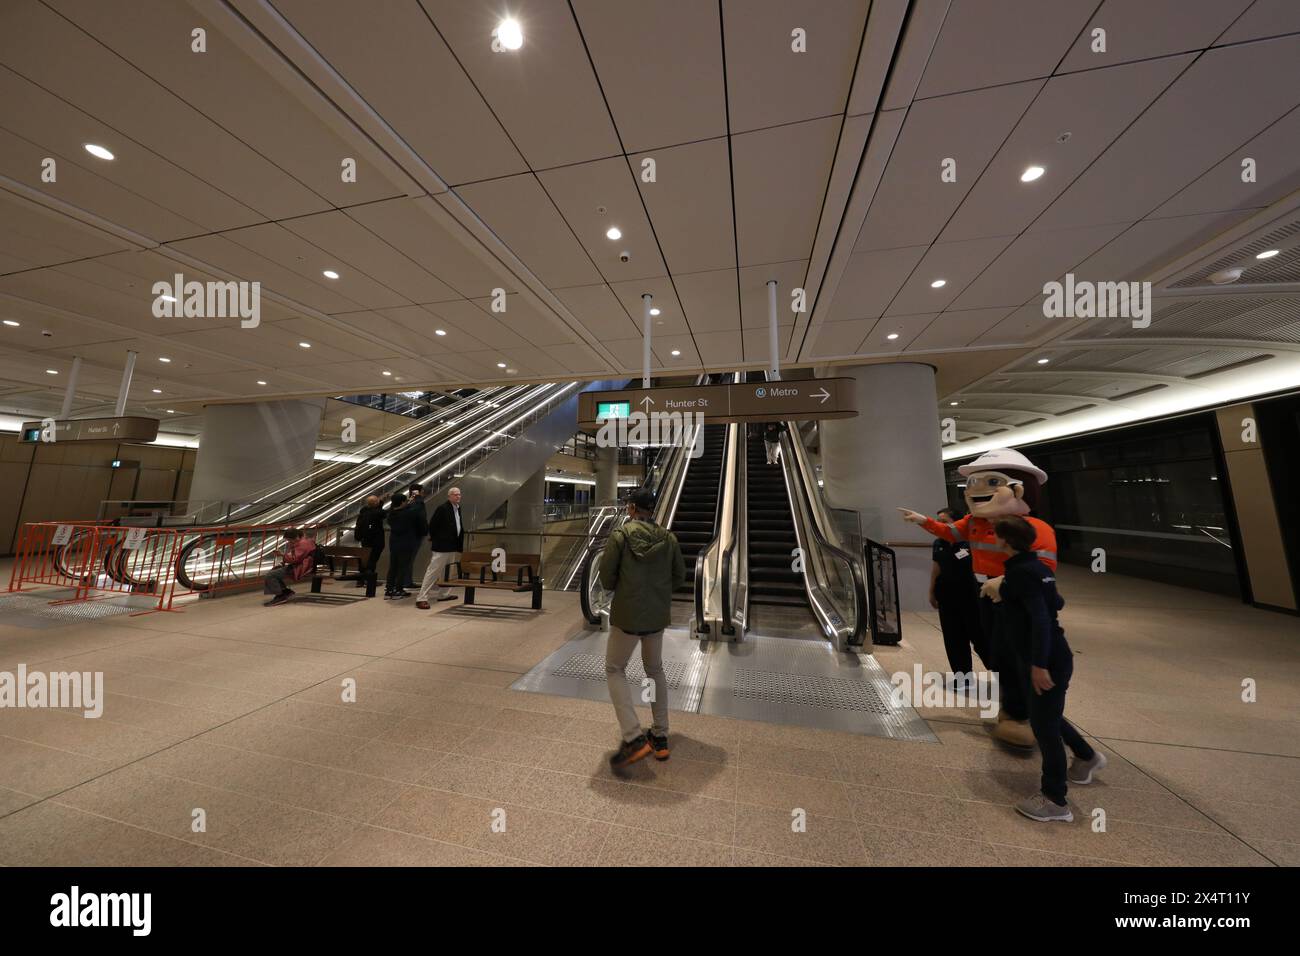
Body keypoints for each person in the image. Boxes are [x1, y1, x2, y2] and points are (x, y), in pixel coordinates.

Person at [899, 447, 1057, 749]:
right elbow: (948, 532)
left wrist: (1008, 583)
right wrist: (922, 520)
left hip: (1017, 600)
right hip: (982, 594)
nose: (975, 490)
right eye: (971, 483)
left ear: (1019, 489)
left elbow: (1044, 567)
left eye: (992, 482)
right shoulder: (973, 522)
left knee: (1019, 652)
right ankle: (1012, 707)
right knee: (997, 652)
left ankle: (1024, 715)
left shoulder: (1034, 529)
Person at [985, 516, 1105, 822]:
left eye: (996, 535)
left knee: (1045, 729)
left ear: (1005, 540)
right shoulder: (1038, 569)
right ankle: (1086, 756)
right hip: (1053, 654)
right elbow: (1057, 603)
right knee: (1046, 714)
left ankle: (1055, 800)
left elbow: (1040, 619)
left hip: (1046, 659)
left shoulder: (1020, 573)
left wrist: (1039, 664)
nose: (993, 539)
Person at [598, 488, 685, 770]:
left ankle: (634, 737)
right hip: (656, 617)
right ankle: (660, 736)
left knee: (614, 669)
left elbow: (607, 578)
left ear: (633, 508)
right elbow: (679, 577)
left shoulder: (620, 537)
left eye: (629, 506)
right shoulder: (669, 539)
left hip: (627, 616)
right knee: (655, 670)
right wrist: (657, 592)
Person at [928, 507, 981, 689]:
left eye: (944, 521)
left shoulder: (970, 542)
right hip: (947, 596)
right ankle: (963, 677)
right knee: (953, 638)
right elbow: (936, 567)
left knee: (980, 637)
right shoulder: (938, 543)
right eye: (938, 521)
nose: (940, 525)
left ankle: (1006, 677)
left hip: (970, 596)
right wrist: (931, 590)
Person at [416, 486, 464, 609]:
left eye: (459, 494)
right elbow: (433, 525)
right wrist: (437, 538)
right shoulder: (442, 508)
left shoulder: (458, 508)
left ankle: (443, 594)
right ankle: (421, 598)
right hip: (442, 546)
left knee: (448, 572)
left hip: (453, 545)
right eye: (455, 494)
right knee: (433, 571)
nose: (458, 496)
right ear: (449, 496)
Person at [385, 492, 426, 600]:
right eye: (405, 501)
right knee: (403, 567)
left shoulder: (391, 513)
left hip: (394, 543)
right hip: (406, 543)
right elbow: (419, 508)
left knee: (393, 567)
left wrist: (408, 502)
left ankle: (389, 589)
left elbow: (406, 508)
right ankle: (398, 589)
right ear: (402, 502)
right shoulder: (407, 514)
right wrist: (417, 497)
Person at [263, 529, 316, 607]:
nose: (289, 542)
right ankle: (284, 592)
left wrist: (282, 555)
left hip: (301, 568)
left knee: (270, 575)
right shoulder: (305, 541)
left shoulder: (303, 544)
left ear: (296, 537)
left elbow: (294, 559)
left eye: (290, 540)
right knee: (274, 571)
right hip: (303, 565)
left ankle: (281, 595)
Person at [354, 494, 385, 588]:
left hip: (365, 540)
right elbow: (381, 513)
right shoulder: (378, 512)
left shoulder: (363, 511)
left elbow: (374, 508)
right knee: (372, 560)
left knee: (365, 559)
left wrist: (379, 503)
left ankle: (361, 580)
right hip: (376, 541)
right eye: (377, 501)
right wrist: (380, 503)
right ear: (376, 503)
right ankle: (369, 580)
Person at [404, 483, 427, 590]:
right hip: (414, 534)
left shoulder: (409, 502)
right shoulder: (416, 502)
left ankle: (406, 581)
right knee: (409, 559)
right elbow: (419, 516)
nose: (423, 492)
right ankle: (406, 581)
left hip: (411, 533)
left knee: (408, 559)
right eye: (422, 490)